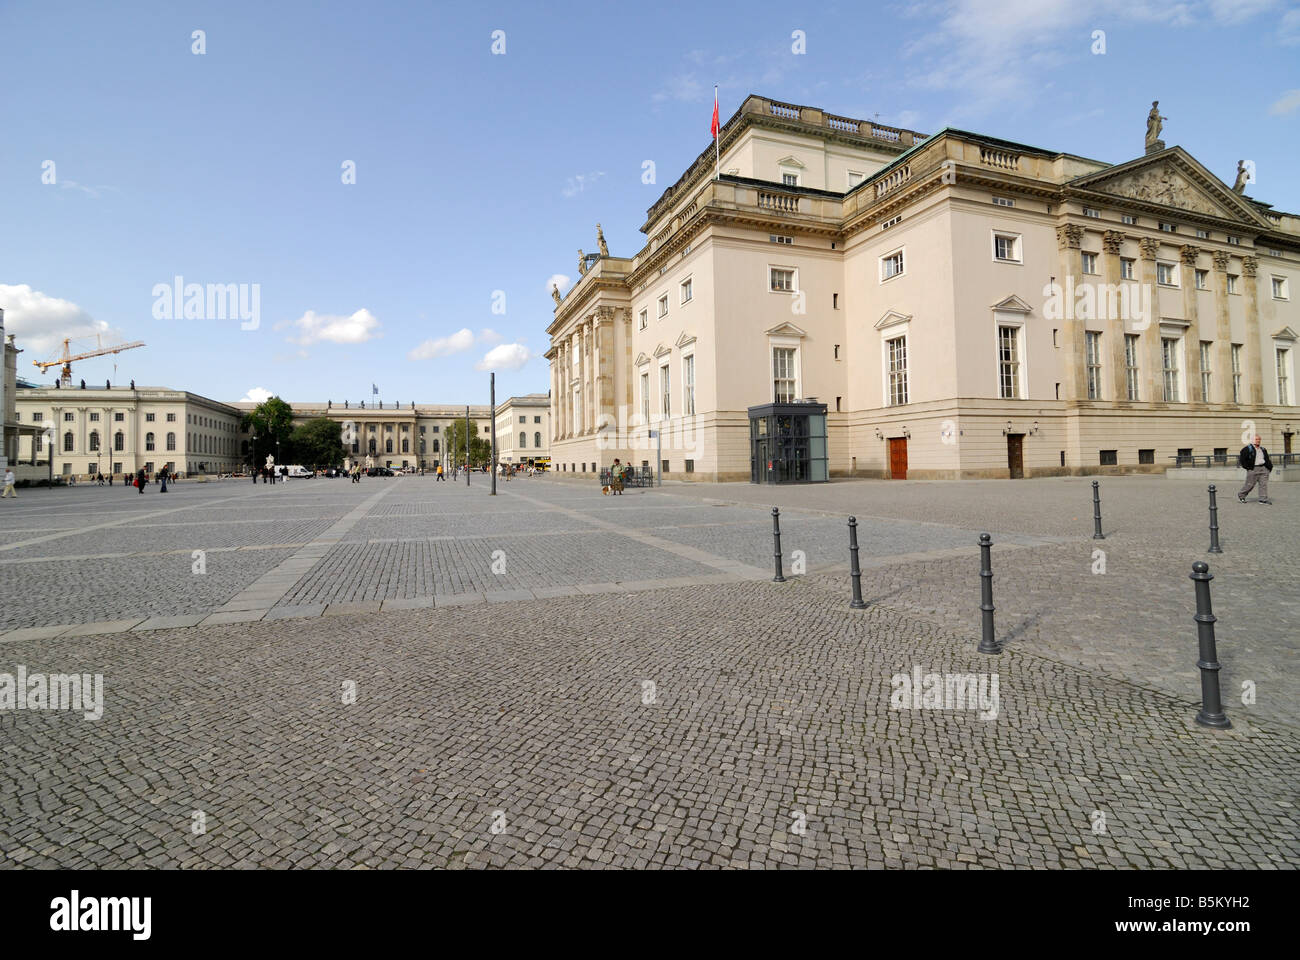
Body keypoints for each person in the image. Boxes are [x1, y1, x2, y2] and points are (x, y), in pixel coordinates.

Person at [1237, 434, 1274, 504]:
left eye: (1259, 439)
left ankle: (1263, 499)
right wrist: (1248, 468)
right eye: (1256, 439)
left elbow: (1267, 459)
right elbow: (1242, 460)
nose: (1258, 441)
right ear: (1252, 440)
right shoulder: (1247, 449)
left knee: (1263, 485)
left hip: (1263, 468)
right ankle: (1241, 495)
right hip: (1253, 469)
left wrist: (1269, 467)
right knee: (1250, 485)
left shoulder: (1263, 449)